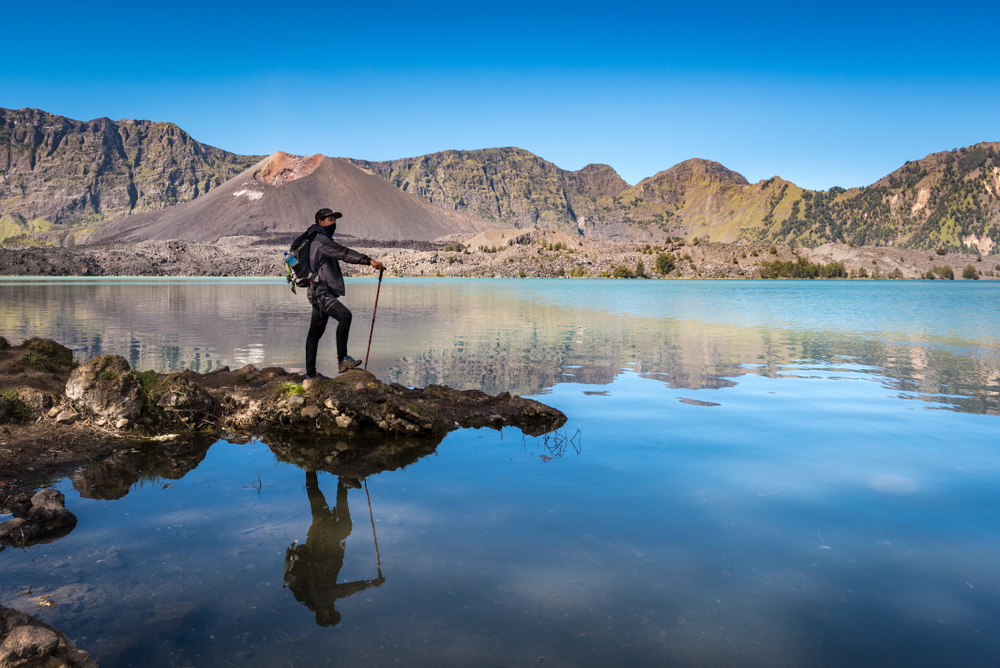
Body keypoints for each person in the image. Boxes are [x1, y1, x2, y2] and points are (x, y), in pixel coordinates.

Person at [283, 470, 385, 627]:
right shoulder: (311, 597)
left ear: (321, 614)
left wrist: (368, 584)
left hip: (322, 546)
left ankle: (342, 483)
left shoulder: (321, 599)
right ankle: (310, 469)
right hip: (316, 543)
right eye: (333, 613)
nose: (332, 610)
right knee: (317, 505)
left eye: (329, 614)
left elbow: (343, 590)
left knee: (344, 527)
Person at [305, 208, 385, 377]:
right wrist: (369, 261)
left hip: (318, 291)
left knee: (314, 335)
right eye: (329, 220)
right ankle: (342, 359)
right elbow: (344, 253)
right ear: (319, 221)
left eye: (334, 220)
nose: (333, 223)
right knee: (344, 315)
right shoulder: (321, 241)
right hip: (321, 293)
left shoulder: (317, 239)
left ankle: (310, 375)